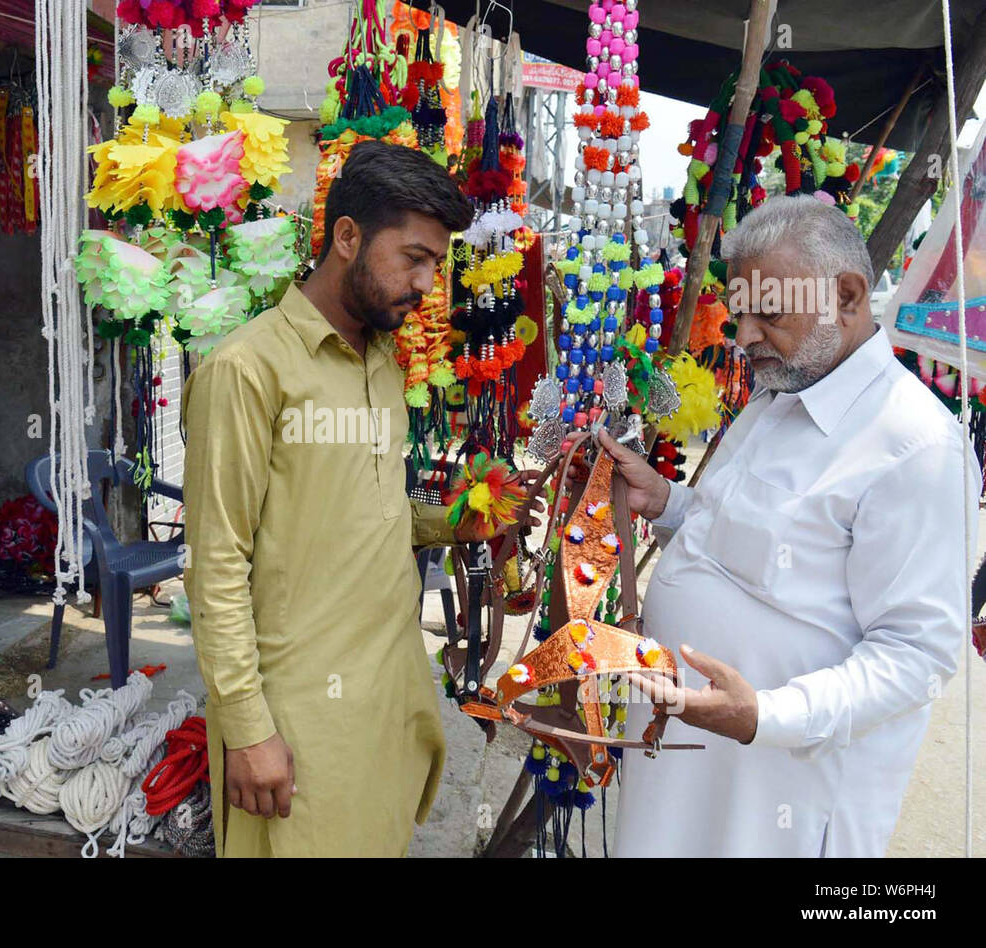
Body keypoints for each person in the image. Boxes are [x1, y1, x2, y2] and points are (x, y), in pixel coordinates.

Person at [182, 140, 541, 856]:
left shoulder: (381, 361)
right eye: (412, 258)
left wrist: (455, 525)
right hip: (302, 717)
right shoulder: (248, 372)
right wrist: (250, 730)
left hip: (388, 701)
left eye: (435, 265)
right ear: (347, 237)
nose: (426, 284)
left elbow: (359, 510)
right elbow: (214, 564)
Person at [602, 194, 979, 857]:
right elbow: (729, 539)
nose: (745, 336)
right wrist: (665, 501)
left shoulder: (915, 446)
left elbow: (917, 655)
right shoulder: (779, 395)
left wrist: (766, 717)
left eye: (767, 313)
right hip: (687, 765)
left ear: (849, 296)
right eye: (741, 314)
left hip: (777, 790)